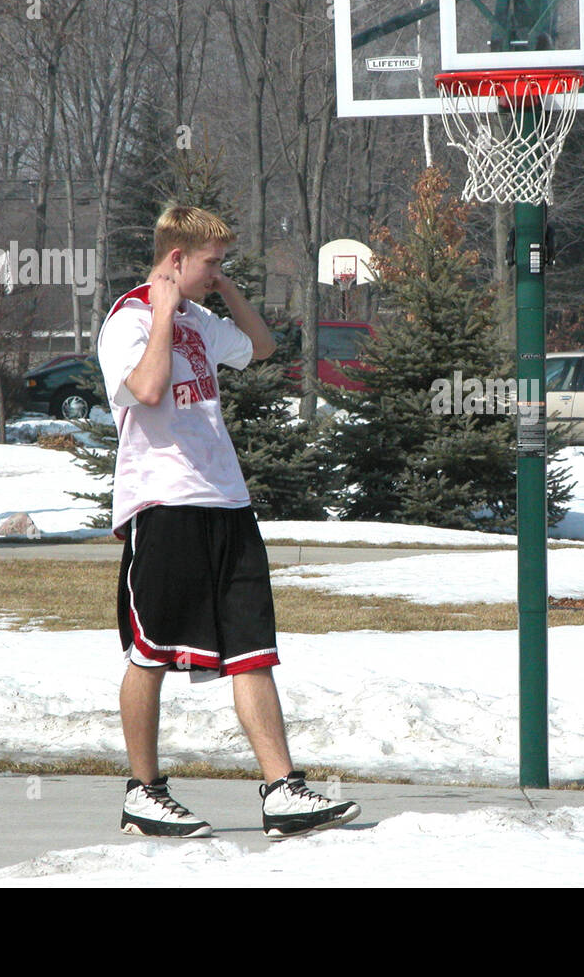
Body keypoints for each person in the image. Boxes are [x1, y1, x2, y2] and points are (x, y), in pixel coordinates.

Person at [97, 203, 359, 838]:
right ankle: (143, 792)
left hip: (226, 503)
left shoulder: (201, 319)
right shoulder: (128, 321)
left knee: (253, 651)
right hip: (164, 505)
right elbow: (150, 389)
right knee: (151, 650)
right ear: (175, 258)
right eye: (211, 263)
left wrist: (224, 290)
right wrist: (162, 312)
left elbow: (262, 347)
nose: (218, 273)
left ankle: (281, 791)